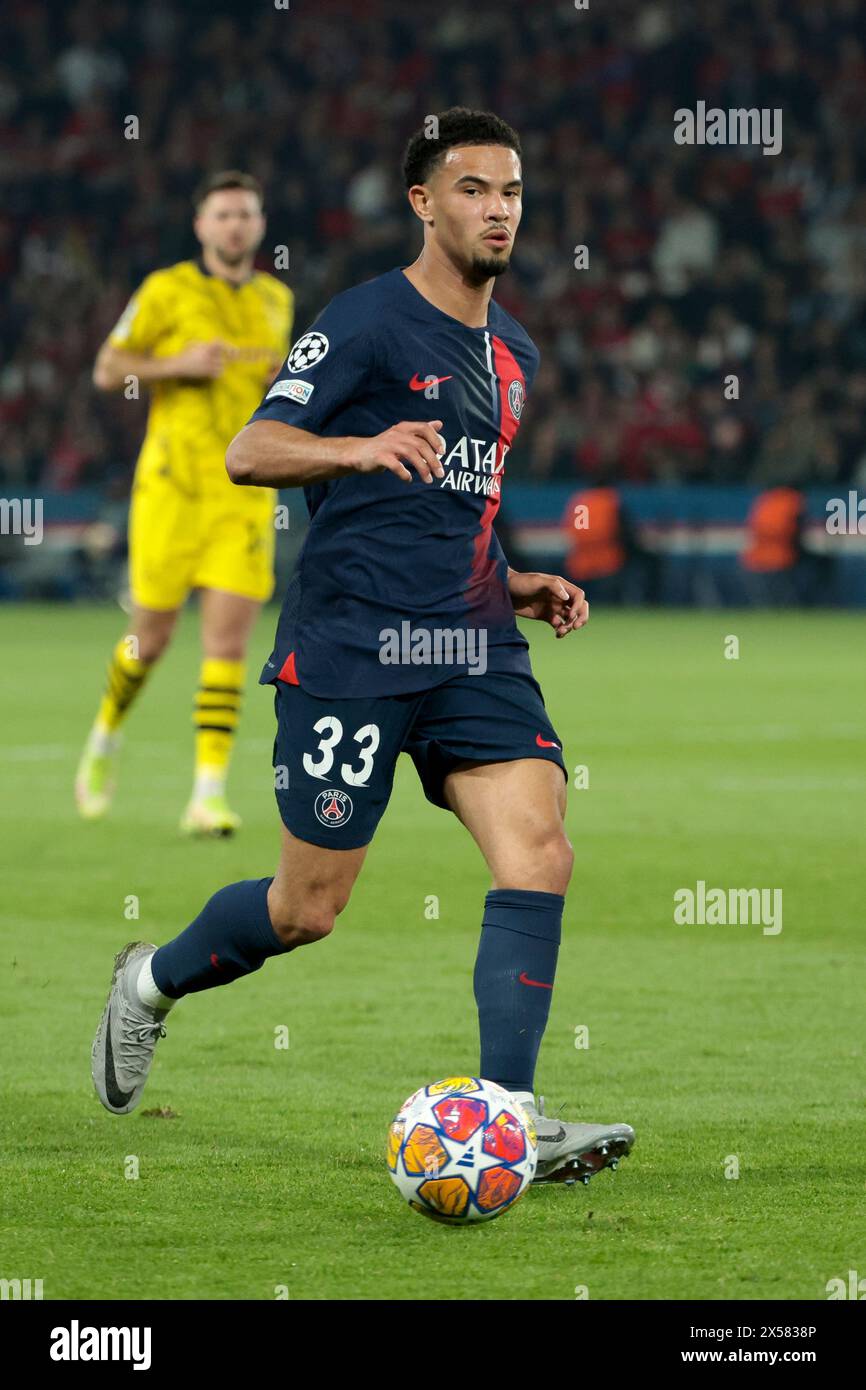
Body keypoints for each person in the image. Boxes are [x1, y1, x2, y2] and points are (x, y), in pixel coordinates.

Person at [91, 109, 635, 1190]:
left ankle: (511, 1117)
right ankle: (148, 982)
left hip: (472, 645)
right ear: (424, 203)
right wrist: (355, 445)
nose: (497, 210)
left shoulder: (513, 352)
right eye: (473, 189)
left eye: (511, 192)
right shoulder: (365, 322)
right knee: (307, 910)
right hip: (351, 645)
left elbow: (464, 504)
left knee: (540, 850)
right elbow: (250, 446)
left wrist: (517, 580)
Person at [76, 171, 294, 835]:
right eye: (223, 214)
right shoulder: (165, 290)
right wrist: (176, 366)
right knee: (150, 639)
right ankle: (106, 735)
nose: (235, 225)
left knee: (226, 641)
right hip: (170, 488)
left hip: (243, 493)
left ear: (259, 227)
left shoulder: (276, 298)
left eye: (246, 215)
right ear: (201, 226)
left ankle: (207, 795)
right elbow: (108, 370)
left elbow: (281, 386)